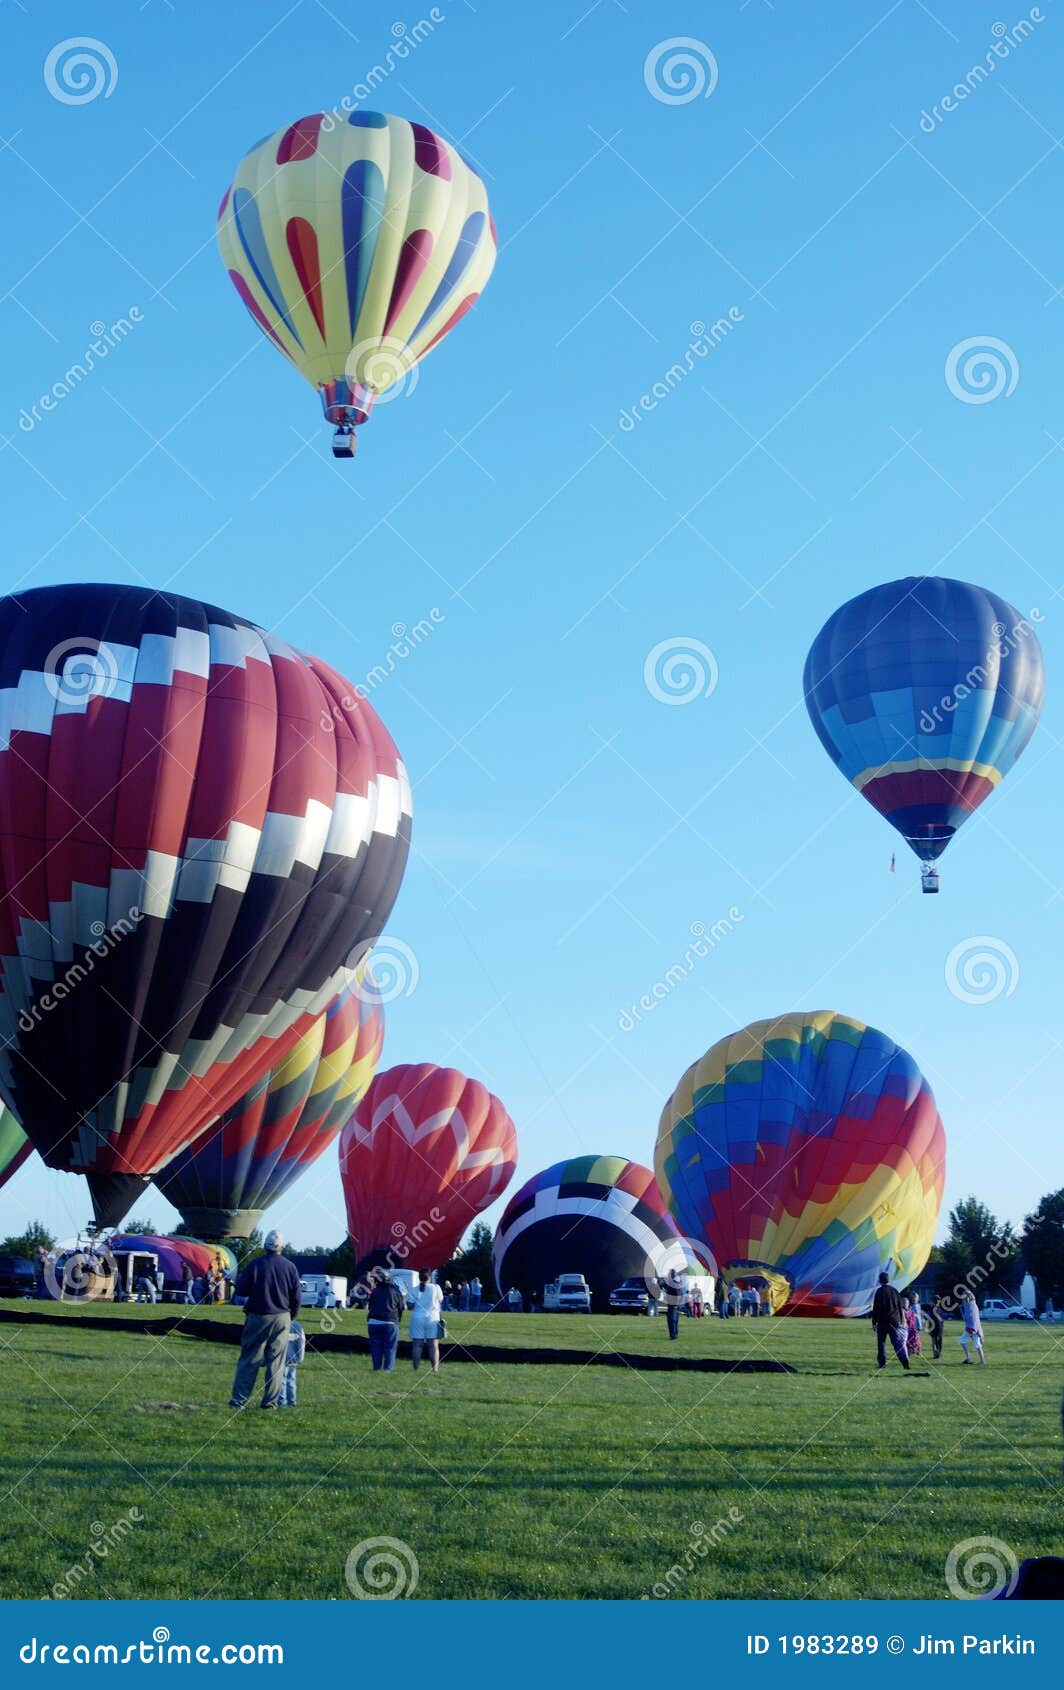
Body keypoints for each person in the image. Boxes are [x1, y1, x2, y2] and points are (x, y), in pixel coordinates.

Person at [229, 1229, 302, 1409]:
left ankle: (239, 1400)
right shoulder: (290, 1267)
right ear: (281, 1247)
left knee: (250, 1359)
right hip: (282, 1316)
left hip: (258, 1316)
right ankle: (270, 1402)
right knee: (276, 1362)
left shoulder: (255, 1264)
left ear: (265, 1246)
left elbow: (241, 1290)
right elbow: (296, 1297)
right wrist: (290, 1317)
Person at [366, 1268, 405, 1371]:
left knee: (375, 1348)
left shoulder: (374, 1291)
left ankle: (376, 1369)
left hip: (373, 1322)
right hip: (390, 1322)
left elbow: (370, 1306)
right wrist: (398, 1321)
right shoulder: (395, 1291)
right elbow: (401, 1308)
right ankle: (387, 1370)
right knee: (390, 1347)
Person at [871, 1271, 911, 1372]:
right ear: (889, 1280)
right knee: (897, 1343)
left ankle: (882, 1363)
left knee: (881, 1343)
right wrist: (902, 1319)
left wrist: (874, 1322)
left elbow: (876, 1308)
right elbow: (899, 1307)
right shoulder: (895, 1291)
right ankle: (904, 1362)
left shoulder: (879, 1291)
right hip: (895, 1321)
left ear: (880, 1280)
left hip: (883, 1321)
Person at [408, 1269, 444, 1374]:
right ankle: (435, 1370)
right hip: (433, 1318)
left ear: (419, 1277)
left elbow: (410, 1306)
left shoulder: (414, 1289)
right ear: (429, 1277)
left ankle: (415, 1369)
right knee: (433, 1346)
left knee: (417, 1346)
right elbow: (440, 1300)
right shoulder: (436, 1287)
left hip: (417, 1318)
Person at [958, 1290, 987, 1365]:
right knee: (977, 1344)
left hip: (971, 1328)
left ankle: (969, 1358)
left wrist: (967, 1293)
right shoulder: (973, 1305)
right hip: (976, 1327)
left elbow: (966, 1318)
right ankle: (982, 1361)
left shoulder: (969, 1305)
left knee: (962, 1341)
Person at [282, 1318, 305, 1407]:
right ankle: (292, 1401)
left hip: (282, 1358)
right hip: (294, 1358)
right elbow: (302, 1342)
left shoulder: (281, 1323)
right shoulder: (297, 1326)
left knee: (282, 1381)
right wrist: (300, 1357)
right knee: (291, 1381)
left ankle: (282, 1402)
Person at [661, 1267, 685, 1340]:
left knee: (671, 1321)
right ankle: (675, 1334)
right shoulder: (678, 1282)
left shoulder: (673, 1283)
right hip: (676, 1305)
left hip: (673, 1305)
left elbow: (666, 1286)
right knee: (675, 1321)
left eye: (669, 1274)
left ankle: (673, 1336)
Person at [925, 1295, 945, 1360]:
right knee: (935, 1341)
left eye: (938, 1299)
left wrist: (942, 1327)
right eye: (935, 1299)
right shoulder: (931, 1309)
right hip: (934, 1328)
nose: (937, 1301)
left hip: (939, 1327)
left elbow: (941, 1319)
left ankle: (938, 1354)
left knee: (939, 1341)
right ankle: (936, 1355)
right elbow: (928, 1318)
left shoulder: (939, 1309)